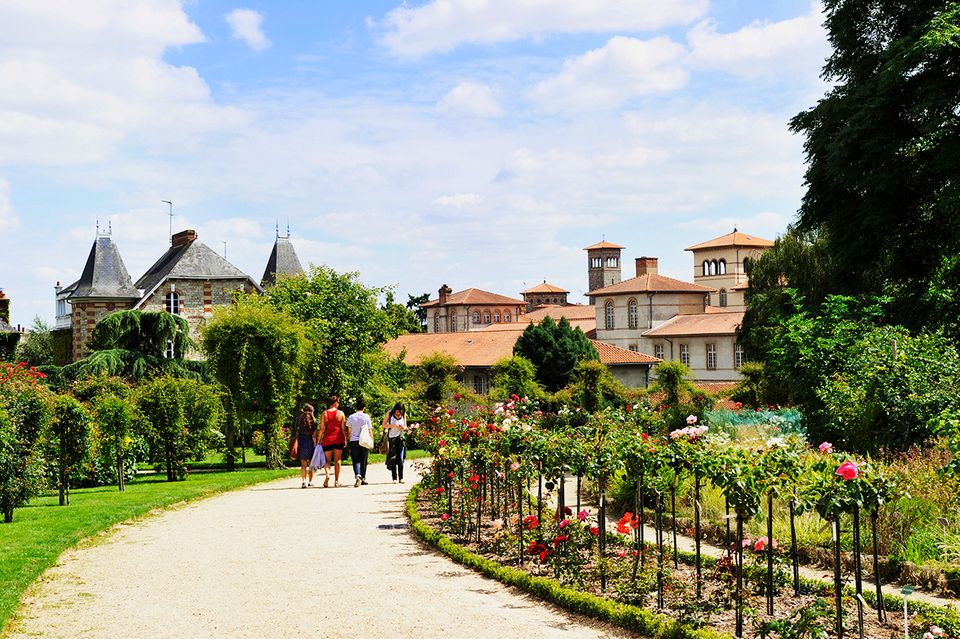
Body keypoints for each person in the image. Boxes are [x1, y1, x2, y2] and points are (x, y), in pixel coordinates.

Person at [319, 395, 347, 487]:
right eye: (338, 402)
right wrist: (345, 438)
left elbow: (322, 428)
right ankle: (336, 481)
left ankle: (327, 475)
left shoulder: (324, 414)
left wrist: (319, 439)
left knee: (327, 461)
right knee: (337, 460)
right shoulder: (341, 413)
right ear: (335, 403)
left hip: (327, 439)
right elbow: (343, 428)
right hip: (338, 438)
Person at [346, 399, 373, 488]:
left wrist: (349, 440)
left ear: (356, 407)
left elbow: (349, 431)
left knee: (355, 460)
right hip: (364, 440)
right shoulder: (366, 417)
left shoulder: (351, 417)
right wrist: (371, 440)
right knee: (364, 460)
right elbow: (369, 430)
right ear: (364, 407)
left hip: (354, 440)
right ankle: (363, 478)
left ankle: (358, 475)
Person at [382, 402, 407, 484]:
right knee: (393, 458)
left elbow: (405, 426)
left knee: (400, 458)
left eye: (400, 411)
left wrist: (403, 427)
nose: (398, 413)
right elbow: (384, 425)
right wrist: (393, 426)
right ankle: (394, 478)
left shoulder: (403, 415)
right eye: (397, 411)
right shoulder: (389, 414)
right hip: (391, 438)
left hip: (400, 438)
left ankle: (401, 477)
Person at [295, 403, 317, 489]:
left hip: (301, 441)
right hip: (310, 441)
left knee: (303, 464)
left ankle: (303, 481)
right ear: (312, 411)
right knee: (310, 464)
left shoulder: (298, 420)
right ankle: (310, 482)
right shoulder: (314, 421)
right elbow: (315, 435)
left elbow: (296, 431)